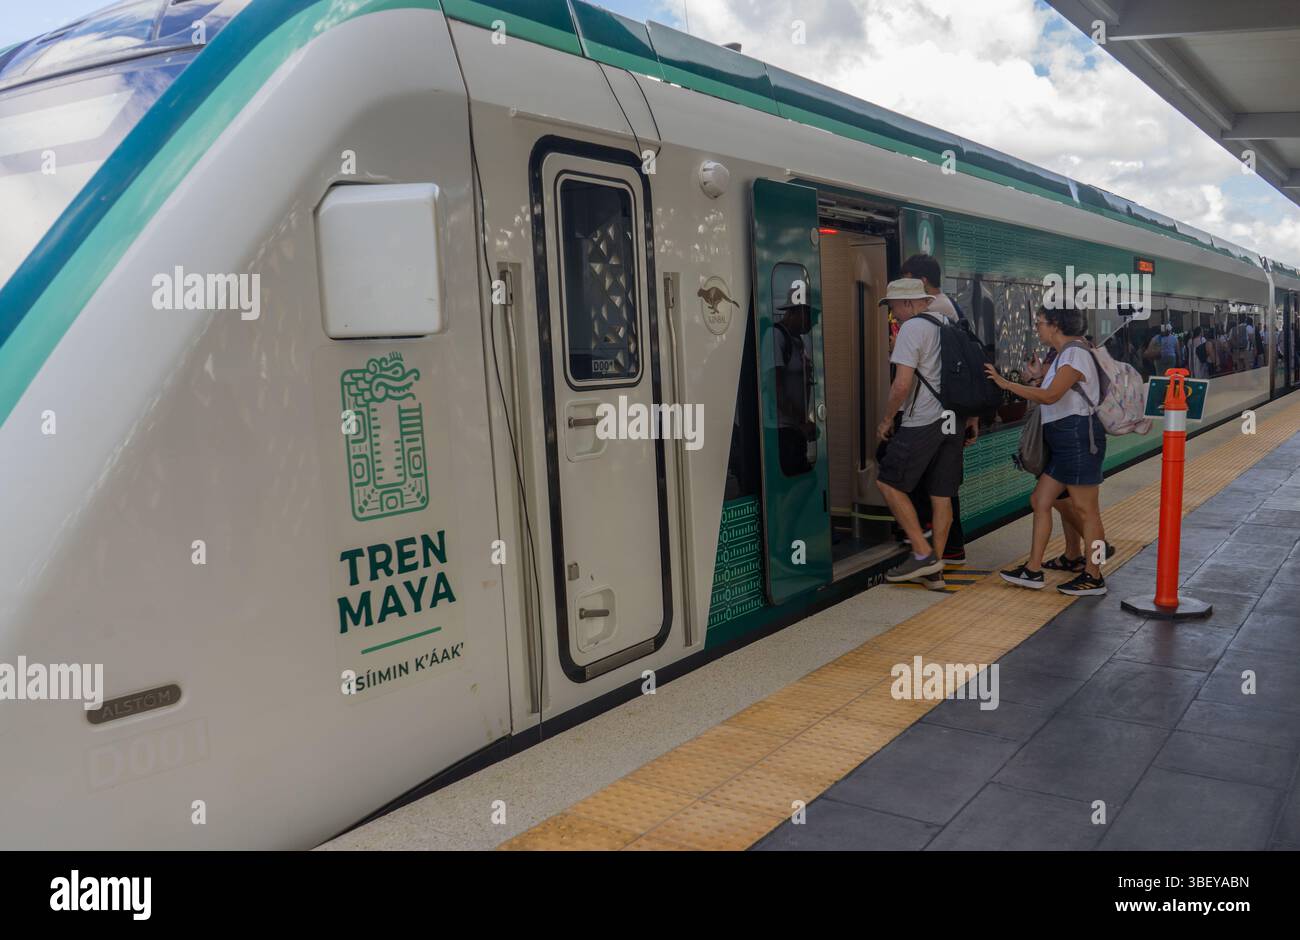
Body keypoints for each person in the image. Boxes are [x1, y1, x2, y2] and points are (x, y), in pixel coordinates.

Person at [984, 304, 1109, 596]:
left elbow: (1052, 396)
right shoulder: (1063, 356)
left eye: (1039, 322)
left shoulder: (1076, 352)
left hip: (1079, 438)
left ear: (1055, 324)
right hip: (1064, 441)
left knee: (1086, 510)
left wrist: (1006, 384)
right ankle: (1033, 569)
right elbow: (1053, 391)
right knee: (1040, 499)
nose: (1036, 327)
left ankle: (1095, 574)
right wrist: (1034, 378)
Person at [876, 278, 979, 590]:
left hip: (923, 420)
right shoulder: (949, 324)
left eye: (893, 306)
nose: (892, 313)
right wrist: (972, 418)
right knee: (941, 494)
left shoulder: (912, 329)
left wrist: (886, 419)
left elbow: (902, 384)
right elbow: (972, 373)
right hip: (953, 420)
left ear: (909, 303)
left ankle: (922, 554)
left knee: (888, 482)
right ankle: (935, 571)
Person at [899, 253, 969, 563]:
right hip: (951, 411)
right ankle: (947, 549)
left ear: (921, 282)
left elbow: (911, 374)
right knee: (943, 483)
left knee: (908, 478)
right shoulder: (951, 307)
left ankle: (926, 545)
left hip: (931, 413)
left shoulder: (931, 312)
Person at [772, 293, 816, 476]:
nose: (815, 323)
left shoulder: (799, 341)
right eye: (812, 317)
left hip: (796, 426)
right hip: (783, 428)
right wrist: (800, 422)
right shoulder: (776, 337)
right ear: (797, 313)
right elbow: (775, 386)